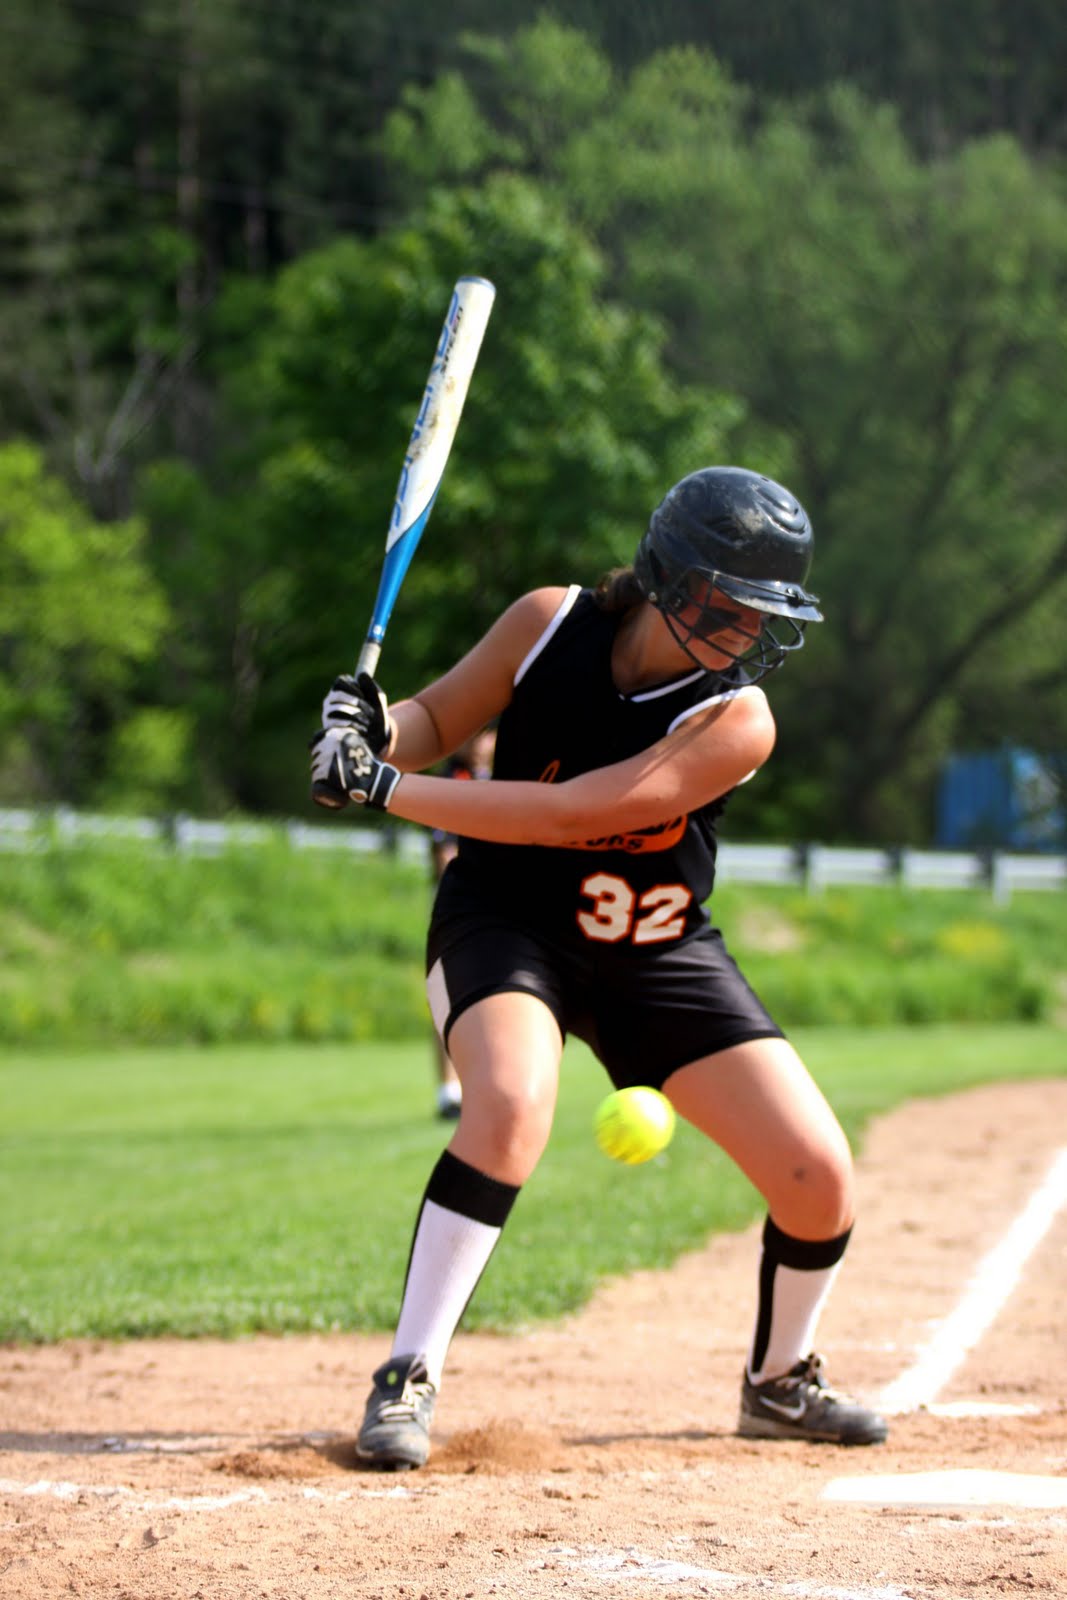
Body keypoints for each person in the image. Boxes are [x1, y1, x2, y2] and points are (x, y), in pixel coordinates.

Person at [309, 466, 889, 1470]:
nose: (748, 629)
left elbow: (571, 813)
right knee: (507, 1108)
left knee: (816, 1175)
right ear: (668, 576)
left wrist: (385, 787)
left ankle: (778, 1382)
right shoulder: (546, 623)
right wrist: (369, 728)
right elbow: (438, 720)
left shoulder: (735, 716)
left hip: (654, 950)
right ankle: (407, 1374)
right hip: (507, 924)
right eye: (729, 602)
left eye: (764, 611)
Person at [428, 726, 497, 1119]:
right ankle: (449, 1091)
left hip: (505, 907)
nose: (479, 743)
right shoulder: (453, 781)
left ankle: (488, 1085)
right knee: (448, 997)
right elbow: (446, 853)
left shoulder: (506, 776)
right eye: (472, 736)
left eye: (486, 735)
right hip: (463, 907)